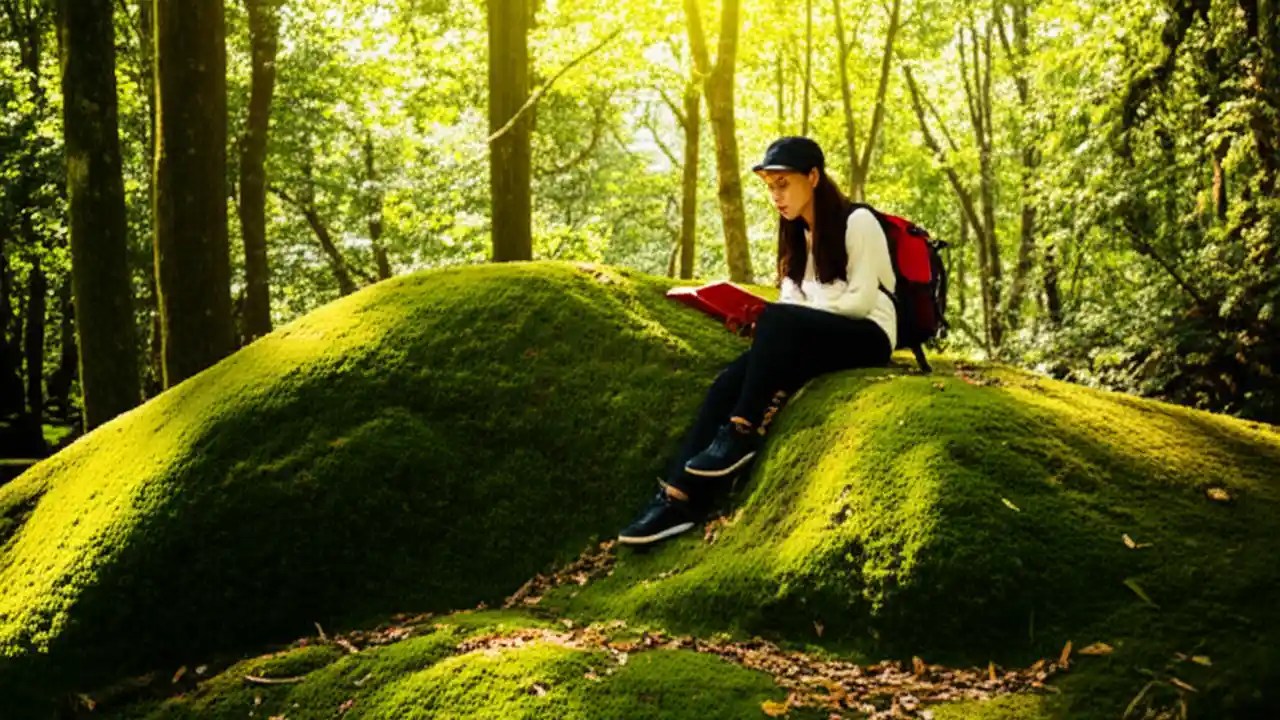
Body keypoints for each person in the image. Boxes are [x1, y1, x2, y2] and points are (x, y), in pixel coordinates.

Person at [618, 136, 898, 546]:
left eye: (783, 184)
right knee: (728, 381)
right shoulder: (793, 234)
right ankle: (677, 500)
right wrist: (765, 324)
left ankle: (742, 431)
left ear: (814, 177)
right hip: (818, 335)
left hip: (868, 335)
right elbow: (790, 302)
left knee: (776, 324)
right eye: (769, 186)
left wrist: (788, 322)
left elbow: (858, 303)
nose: (775, 195)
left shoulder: (858, 222)